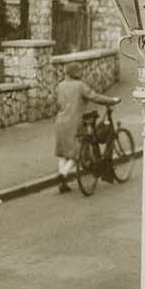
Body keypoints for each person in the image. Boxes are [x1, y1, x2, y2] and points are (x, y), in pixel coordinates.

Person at [54, 62, 121, 193]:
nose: (81, 73)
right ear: (75, 73)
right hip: (74, 123)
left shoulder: (61, 85)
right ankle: (62, 174)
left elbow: (59, 104)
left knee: (63, 153)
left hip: (60, 122)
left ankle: (63, 183)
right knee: (76, 153)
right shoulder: (80, 86)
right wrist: (112, 100)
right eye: (79, 71)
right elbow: (94, 97)